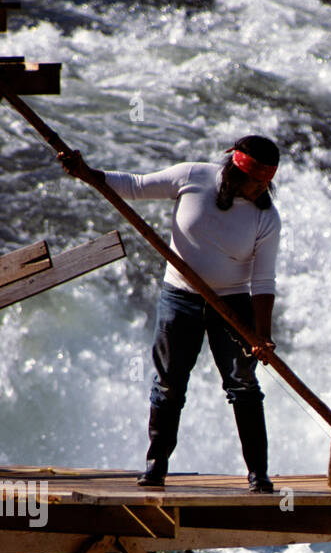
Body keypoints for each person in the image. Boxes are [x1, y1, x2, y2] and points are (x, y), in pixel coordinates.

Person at [57, 136, 281, 493]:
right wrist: (87, 173)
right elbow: (134, 186)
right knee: (169, 384)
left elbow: (264, 280)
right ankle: (155, 467)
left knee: (243, 386)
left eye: (268, 182)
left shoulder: (267, 217)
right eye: (256, 181)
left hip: (233, 305)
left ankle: (258, 474)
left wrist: (261, 336)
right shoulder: (192, 177)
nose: (261, 189)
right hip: (180, 297)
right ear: (236, 172)